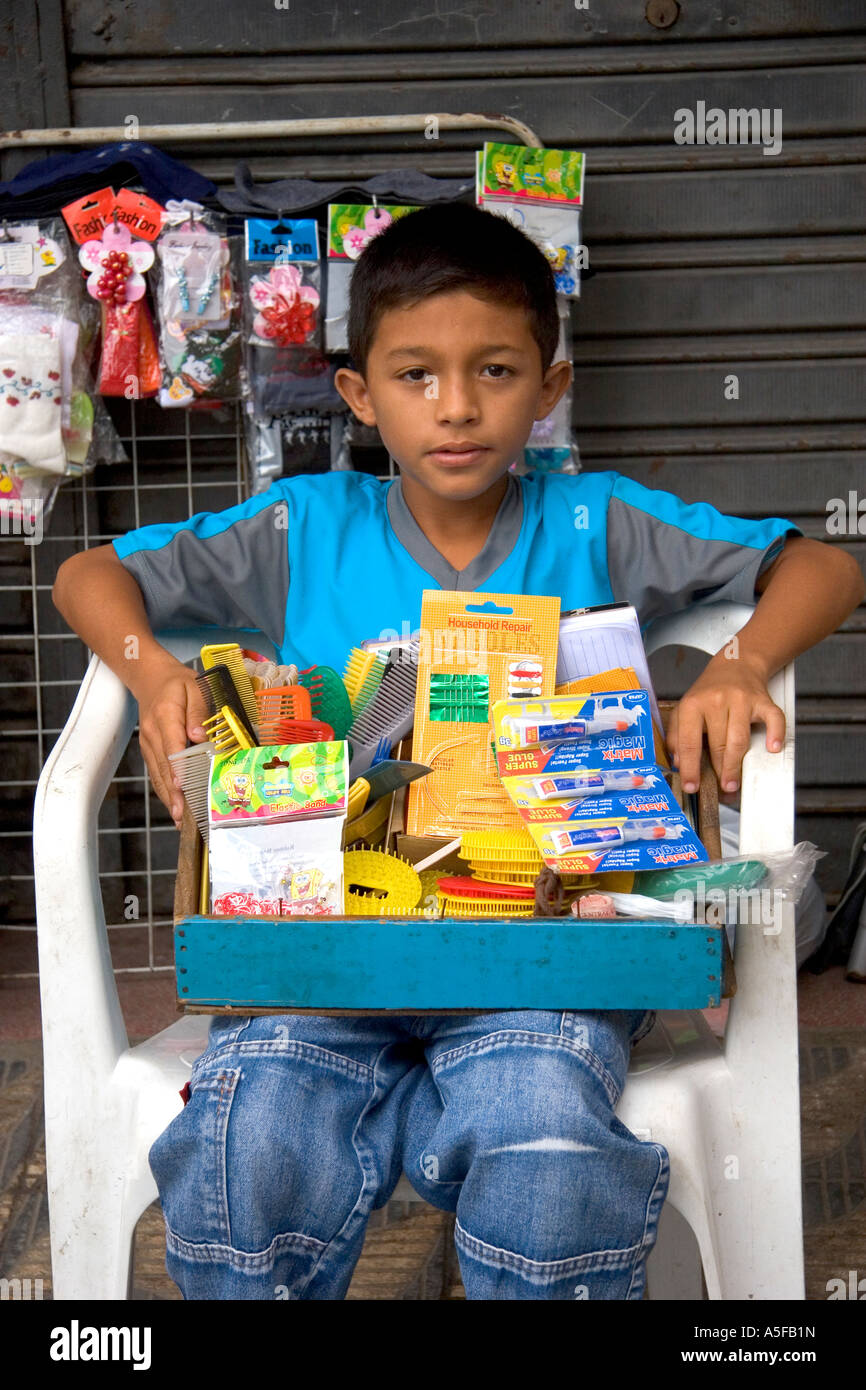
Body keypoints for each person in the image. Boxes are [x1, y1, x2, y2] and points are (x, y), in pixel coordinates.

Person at [52, 203, 864, 1300]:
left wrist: (735, 664)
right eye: (415, 375)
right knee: (252, 1142)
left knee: (545, 1146)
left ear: (550, 385)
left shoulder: (596, 525)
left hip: (545, 971)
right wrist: (155, 672)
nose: (457, 408)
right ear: (357, 393)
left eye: (493, 370)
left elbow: (821, 569)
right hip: (319, 965)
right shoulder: (305, 529)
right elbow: (89, 574)